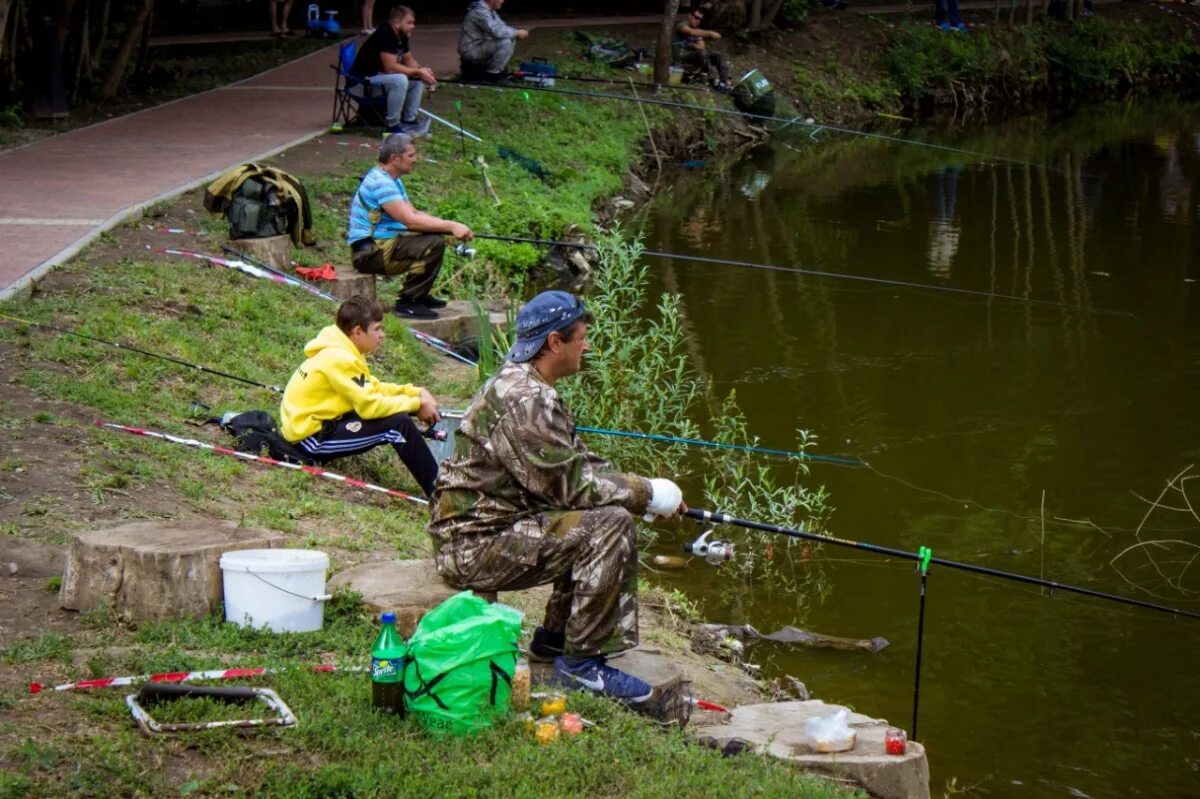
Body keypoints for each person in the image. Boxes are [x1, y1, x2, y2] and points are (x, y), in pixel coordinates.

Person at [427, 291, 686, 706]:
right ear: (554, 343)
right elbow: (573, 487)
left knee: (595, 516)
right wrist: (646, 493)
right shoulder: (527, 399)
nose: (587, 345)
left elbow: (576, 464)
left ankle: (555, 640)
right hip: (472, 546)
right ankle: (582, 667)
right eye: (581, 337)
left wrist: (652, 495)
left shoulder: (525, 386)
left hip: (484, 532)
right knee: (610, 524)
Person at [280, 295, 441, 496]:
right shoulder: (340, 358)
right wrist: (416, 404)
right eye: (377, 329)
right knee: (399, 425)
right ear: (357, 331)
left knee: (394, 414)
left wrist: (415, 392)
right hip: (310, 439)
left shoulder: (342, 348)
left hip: (317, 424)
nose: (382, 335)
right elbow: (370, 406)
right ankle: (441, 495)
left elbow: (371, 389)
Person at [347, 133, 473, 320]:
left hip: (381, 245)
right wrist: (451, 226)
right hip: (368, 253)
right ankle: (408, 302)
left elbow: (414, 213)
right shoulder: (381, 183)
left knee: (435, 239)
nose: (416, 160)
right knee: (433, 244)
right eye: (411, 155)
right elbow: (410, 221)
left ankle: (420, 296)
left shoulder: (392, 180)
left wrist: (446, 227)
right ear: (394, 158)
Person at [350, 5, 436, 136]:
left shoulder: (402, 35)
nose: (413, 26)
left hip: (377, 81)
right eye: (409, 22)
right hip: (360, 84)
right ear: (397, 22)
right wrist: (418, 72)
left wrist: (423, 72)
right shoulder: (385, 34)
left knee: (417, 79)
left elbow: (409, 60)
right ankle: (393, 126)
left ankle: (409, 121)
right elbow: (390, 67)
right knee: (400, 79)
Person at [458, 0, 529, 84]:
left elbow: (503, 27)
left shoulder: (490, 12)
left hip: (480, 46)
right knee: (505, 42)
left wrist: (516, 33)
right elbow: (496, 31)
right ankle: (493, 75)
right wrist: (517, 33)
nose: (502, 1)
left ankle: (497, 72)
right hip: (471, 49)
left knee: (509, 38)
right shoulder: (479, 12)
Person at [673, 6, 731, 89]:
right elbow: (691, 32)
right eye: (696, 17)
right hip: (682, 57)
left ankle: (726, 81)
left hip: (695, 57)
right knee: (701, 54)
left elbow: (701, 46)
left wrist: (693, 45)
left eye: (700, 19)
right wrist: (710, 33)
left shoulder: (698, 31)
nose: (698, 21)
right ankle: (713, 80)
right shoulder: (682, 25)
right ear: (690, 15)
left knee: (717, 55)